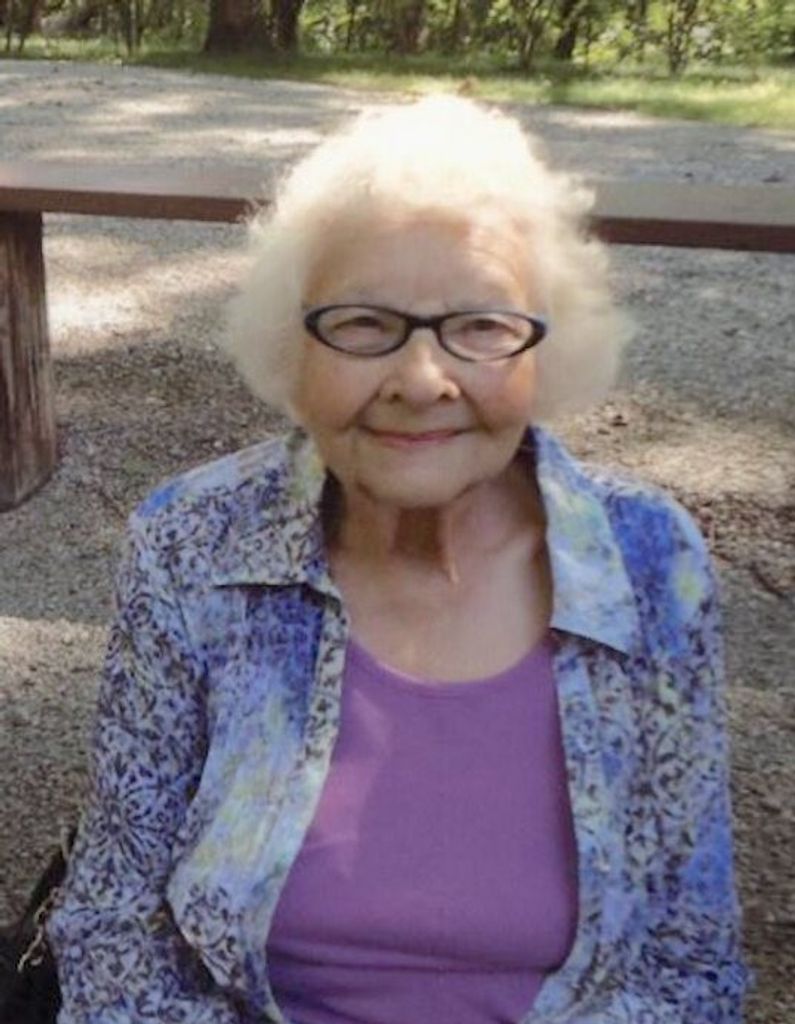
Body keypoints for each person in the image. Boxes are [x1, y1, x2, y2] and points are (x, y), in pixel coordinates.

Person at [48, 96, 749, 1024]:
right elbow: (112, 924)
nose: (421, 380)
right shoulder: (190, 543)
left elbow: (686, 961)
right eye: (363, 323)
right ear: (292, 344)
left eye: (482, 325)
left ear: (545, 348)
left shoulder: (650, 562)